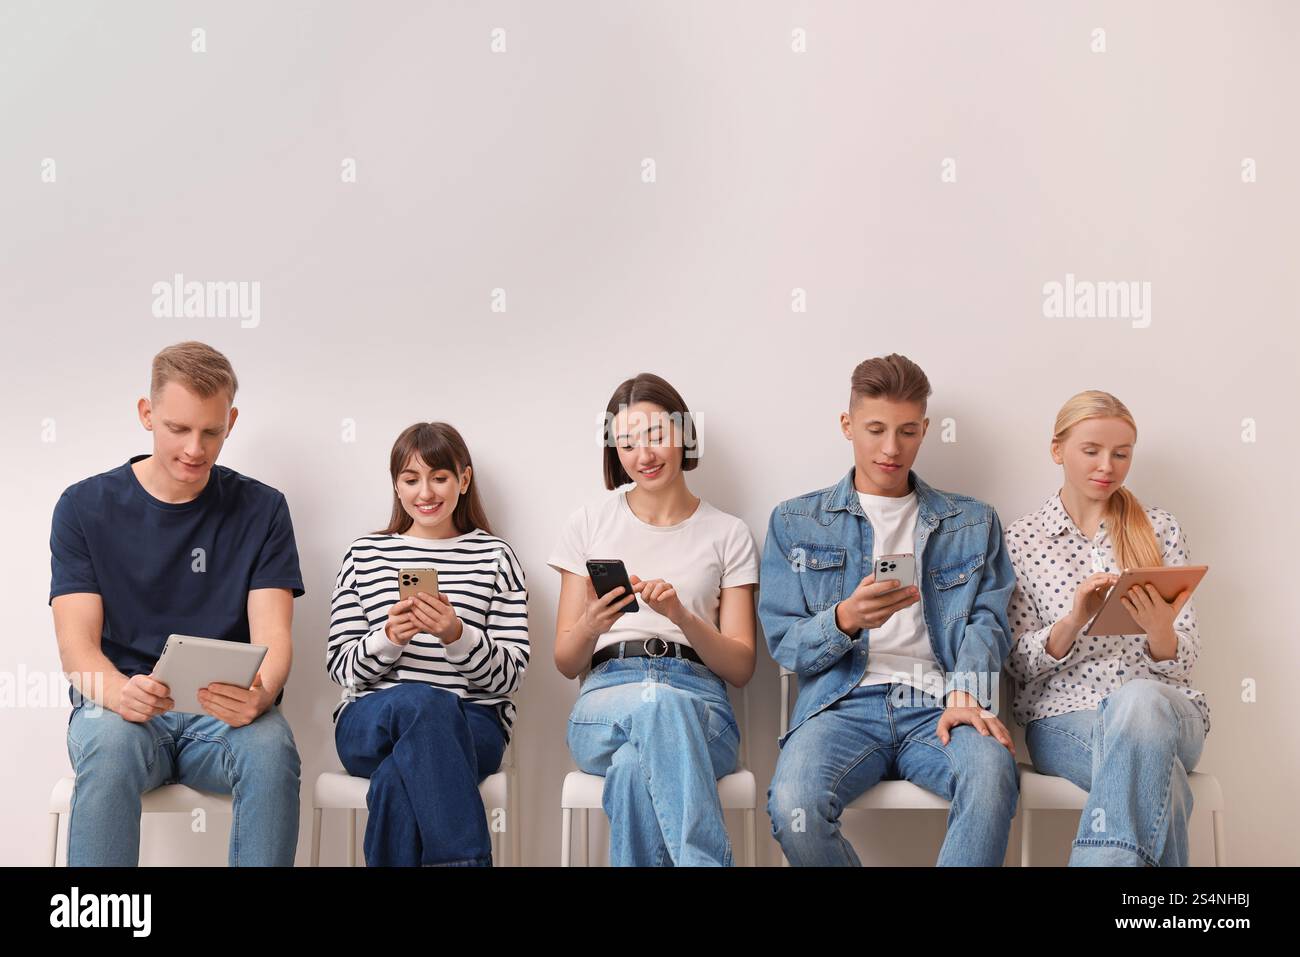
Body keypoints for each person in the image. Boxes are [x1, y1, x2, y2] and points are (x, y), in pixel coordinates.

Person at [50, 340, 304, 866]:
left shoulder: (264, 509)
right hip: (122, 709)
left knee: (272, 749)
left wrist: (261, 694)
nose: (195, 448)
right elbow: (77, 651)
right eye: (178, 429)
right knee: (110, 745)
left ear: (231, 421)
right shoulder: (83, 507)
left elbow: (274, 635)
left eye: (211, 432)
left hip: (224, 715)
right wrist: (120, 694)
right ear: (147, 414)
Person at [762, 353, 1019, 866]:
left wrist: (967, 692)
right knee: (794, 804)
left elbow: (988, 622)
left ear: (924, 430)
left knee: (992, 776)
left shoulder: (972, 521)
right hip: (840, 706)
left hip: (943, 703)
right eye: (875, 429)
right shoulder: (795, 522)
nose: (890, 448)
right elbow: (785, 646)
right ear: (847, 425)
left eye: (906, 431)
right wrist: (846, 619)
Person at [549, 373, 759, 866]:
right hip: (605, 699)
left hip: (701, 703)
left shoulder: (728, 533)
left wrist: (681, 616)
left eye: (655, 436)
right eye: (626, 443)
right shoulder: (588, 522)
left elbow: (742, 667)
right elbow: (564, 660)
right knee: (655, 708)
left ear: (684, 433)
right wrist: (592, 626)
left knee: (630, 769)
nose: (643, 454)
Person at [1005, 390, 1209, 866]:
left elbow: (1186, 660)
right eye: (1091, 450)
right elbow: (1016, 662)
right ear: (1058, 450)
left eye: (1121, 454)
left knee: (1139, 700)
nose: (1107, 466)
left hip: (1167, 710)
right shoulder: (1022, 537)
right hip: (1064, 717)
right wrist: (1074, 621)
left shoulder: (1160, 529)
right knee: (1168, 785)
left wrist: (1161, 629)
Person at [327, 422, 529, 866]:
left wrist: (457, 636)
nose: (426, 492)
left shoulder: (496, 557)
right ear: (396, 485)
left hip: (473, 722)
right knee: (421, 701)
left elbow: (511, 675)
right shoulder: (364, 555)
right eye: (411, 479)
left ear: (464, 479)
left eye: (439, 477)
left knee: (398, 780)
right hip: (370, 721)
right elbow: (341, 667)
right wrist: (387, 639)